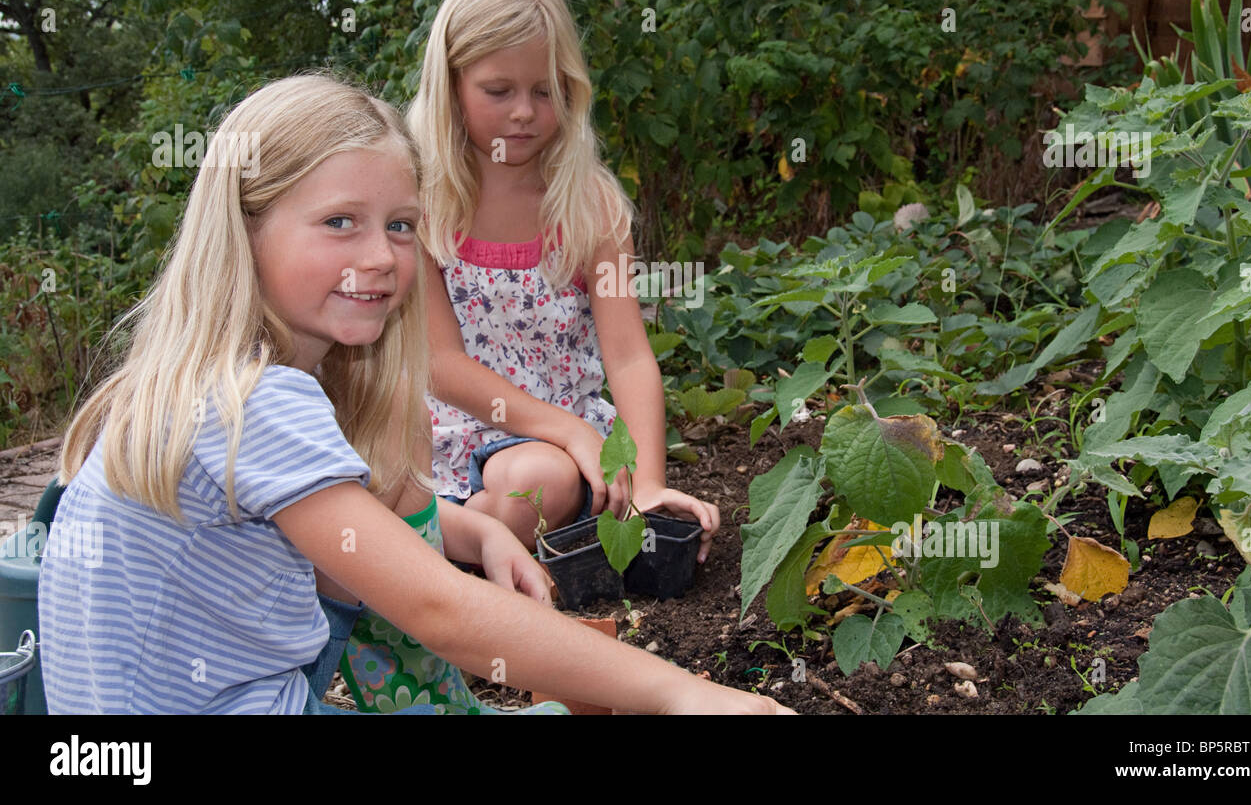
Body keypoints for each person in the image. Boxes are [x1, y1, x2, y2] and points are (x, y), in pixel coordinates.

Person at [37, 74, 789, 715]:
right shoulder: (257, 399)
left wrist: (480, 531)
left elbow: (360, 530)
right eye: (339, 222)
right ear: (246, 227)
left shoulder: (196, 381)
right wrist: (684, 695)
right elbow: (441, 609)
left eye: (400, 225)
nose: (380, 255)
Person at [410, 0, 717, 554]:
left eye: (545, 90)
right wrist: (569, 430)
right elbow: (438, 363)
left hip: (552, 450)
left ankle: (447, 542)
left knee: (538, 483)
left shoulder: (587, 205)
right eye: (499, 91)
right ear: (450, 86)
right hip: (447, 430)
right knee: (529, 486)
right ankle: (460, 539)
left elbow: (627, 357)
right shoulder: (422, 203)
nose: (524, 111)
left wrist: (648, 482)